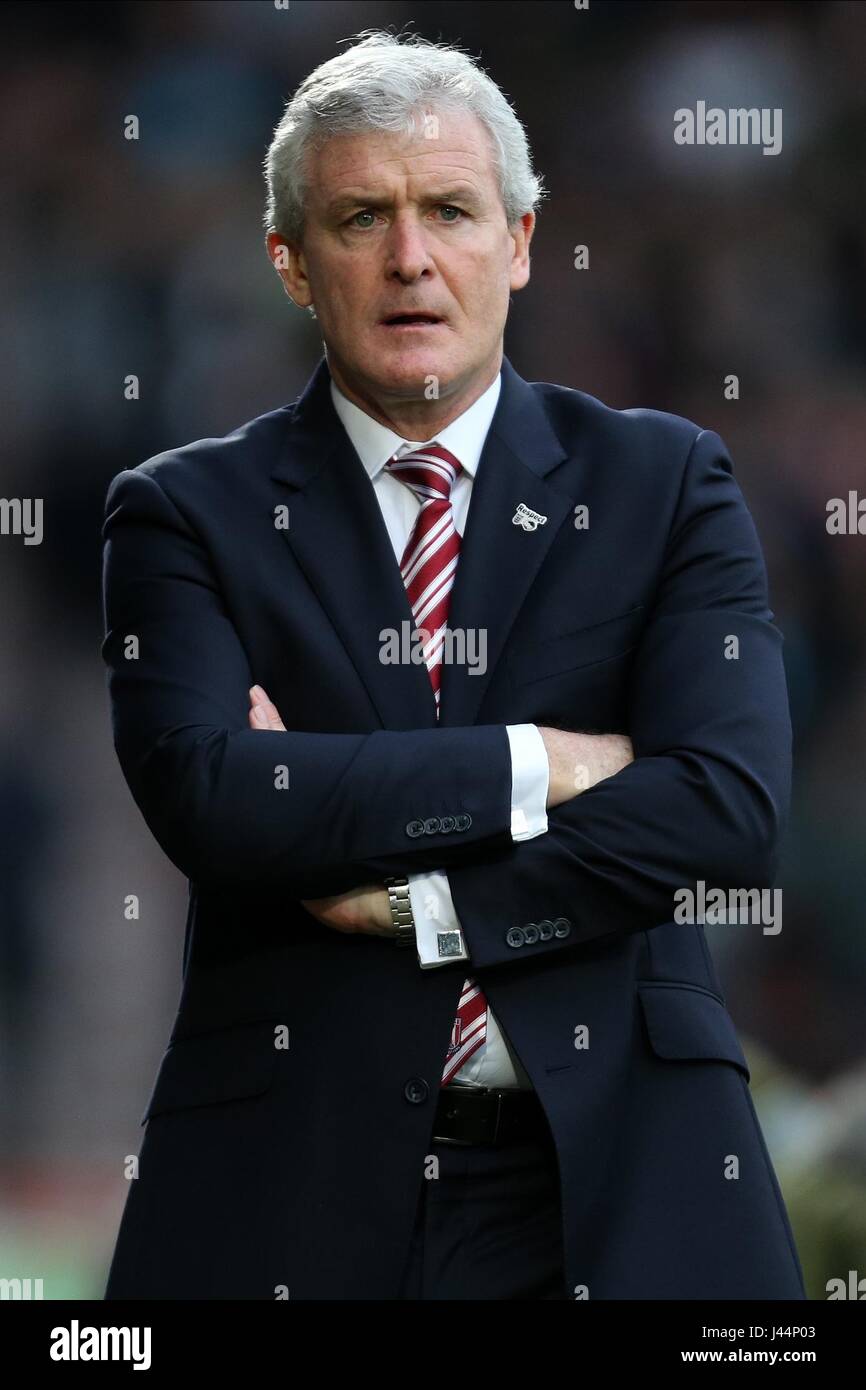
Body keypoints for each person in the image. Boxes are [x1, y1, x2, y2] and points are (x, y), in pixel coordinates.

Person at [101, 29, 806, 1300]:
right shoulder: (182, 512)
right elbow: (216, 799)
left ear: (520, 243)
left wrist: (425, 903)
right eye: (360, 216)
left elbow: (726, 808)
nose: (410, 257)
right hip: (288, 1190)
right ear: (290, 263)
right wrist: (547, 761)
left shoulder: (661, 482)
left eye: (448, 211)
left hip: (628, 1185)